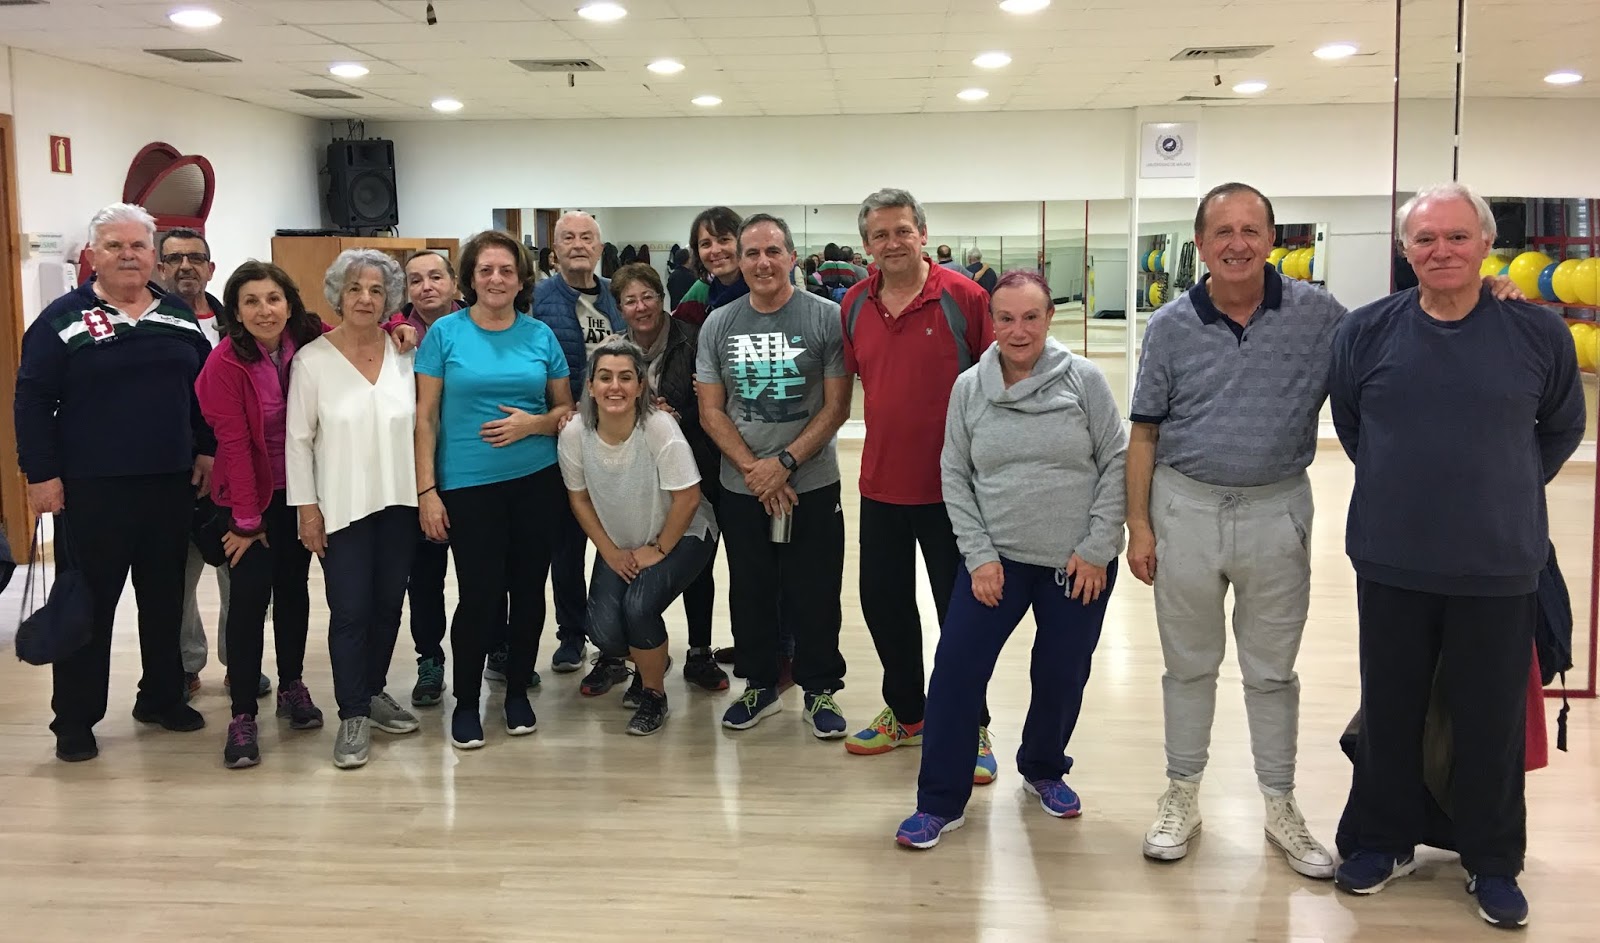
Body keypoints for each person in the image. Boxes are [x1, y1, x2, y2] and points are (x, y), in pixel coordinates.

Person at [1328, 182, 1584, 929]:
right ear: (1406, 251)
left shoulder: (1536, 335)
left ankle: (1492, 859)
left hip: (1500, 565)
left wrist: (1502, 483)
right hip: (1391, 559)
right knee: (1391, 708)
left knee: (1490, 721)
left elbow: (1561, 428)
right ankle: (1382, 841)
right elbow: (1354, 425)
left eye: (1456, 237)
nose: (1441, 251)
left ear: (1484, 244)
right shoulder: (1368, 332)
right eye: (1425, 239)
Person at [895, 269, 1127, 850]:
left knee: (1061, 672)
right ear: (990, 322)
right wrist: (977, 556)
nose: (1017, 330)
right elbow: (955, 472)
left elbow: (1117, 463)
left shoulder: (1084, 380)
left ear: (1050, 318)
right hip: (995, 562)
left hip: (1077, 565)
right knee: (954, 675)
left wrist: (1098, 549)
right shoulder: (970, 387)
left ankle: (1044, 768)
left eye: (1030, 317)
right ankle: (939, 801)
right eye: (1005, 318)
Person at [15, 202, 213, 762]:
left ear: (153, 255)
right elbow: (31, 398)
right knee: (90, 604)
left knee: (164, 598)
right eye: (114, 246)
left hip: (170, 483)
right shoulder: (62, 319)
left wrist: (206, 450)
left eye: (137, 246)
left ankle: (161, 697)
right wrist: (41, 475)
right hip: (90, 488)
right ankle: (74, 721)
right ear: (92, 256)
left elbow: (205, 390)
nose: (128, 256)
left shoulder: (176, 315)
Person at [836, 189, 1001, 786]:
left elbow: (999, 387)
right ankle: (907, 714)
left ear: (923, 234)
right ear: (866, 246)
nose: (892, 243)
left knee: (962, 617)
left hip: (954, 493)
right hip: (881, 485)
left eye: (902, 231)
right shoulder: (853, 303)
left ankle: (971, 722)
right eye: (879, 235)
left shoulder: (965, 298)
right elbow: (851, 386)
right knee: (884, 606)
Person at [416, 231, 573, 750]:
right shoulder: (444, 334)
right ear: (470, 279)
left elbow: (564, 413)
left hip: (535, 480)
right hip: (468, 484)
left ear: (521, 277)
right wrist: (427, 491)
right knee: (480, 596)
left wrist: (533, 426)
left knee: (528, 592)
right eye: (485, 270)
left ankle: (515, 695)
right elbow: (426, 418)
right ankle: (466, 701)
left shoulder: (540, 336)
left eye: (506, 270)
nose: (496, 279)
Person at [696, 213, 851, 736]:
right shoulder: (719, 324)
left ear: (790, 257)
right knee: (751, 588)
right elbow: (711, 411)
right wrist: (754, 469)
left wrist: (783, 464)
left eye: (773, 252)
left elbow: (836, 407)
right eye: (751, 253)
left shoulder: (826, 318)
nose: (762, 262)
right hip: (742, 486)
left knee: (815, 588)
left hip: (811, 481)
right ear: (739, 261)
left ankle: (820, 689)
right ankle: (760, 685)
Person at [287, 249, 420, 769]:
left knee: (389, 606)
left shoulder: (404, 352)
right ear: (338, 295)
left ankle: (373, 690)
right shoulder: (312, 360)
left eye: (376, 290)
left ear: (389, 299)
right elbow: (298, 441)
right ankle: (352, 714)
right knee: (350, 612)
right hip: (340, 508)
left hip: (399, 503)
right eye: (355, 289)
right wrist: (307, 511)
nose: (365, 298)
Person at [195, 260, 328, 768]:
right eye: (250, 301)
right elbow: (233, 444)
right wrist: (248, 523)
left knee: (294, 593)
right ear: (235, 311)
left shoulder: (311, 340)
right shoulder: (225, 364)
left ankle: (293, 685)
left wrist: (397, 329)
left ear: (289, 303)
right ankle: (243, 713)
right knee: (249, 604)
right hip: (248, 499)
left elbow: (361, 333)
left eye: (272, 299)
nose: (264, 310)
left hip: (302, 493)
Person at [559, 338, 720, 734]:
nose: (615, 387)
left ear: (641, 386)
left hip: (685, 533)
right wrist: (609, 551)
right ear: (591, 387)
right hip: (623, 542)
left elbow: (688, 497)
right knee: (603, 632)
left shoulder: (658, 427)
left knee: (639, 607)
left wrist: (659, 548)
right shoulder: (575, 433)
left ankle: (653, 694)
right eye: (605, 378)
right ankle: (652, 656)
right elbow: (578, 499)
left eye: (626, 378)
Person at [159, 226, 268, 701]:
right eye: (175, 258)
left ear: (210, 267)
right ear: (161, 267)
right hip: (174, 473)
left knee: (238, 576)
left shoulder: (239, 324)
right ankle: (185, 663)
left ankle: (238, 661)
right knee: (178, 578)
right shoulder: (152, 324)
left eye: (195, 258)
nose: (186, 266)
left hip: (235, 474)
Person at [611, 263, 730, 692]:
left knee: (698, 566)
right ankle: (643, 656)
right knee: (635, 569)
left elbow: (718, 403)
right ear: (620, 307)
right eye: (630, 300)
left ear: (662, 299)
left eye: (648, 297)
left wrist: (681, 420)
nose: (640, 307)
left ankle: (699, 652)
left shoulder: (693, 340)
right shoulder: (613, 350)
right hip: (636, 481)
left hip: (696, 469)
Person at [531, 212, 624, 683]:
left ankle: (618, 634)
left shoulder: (616, 294)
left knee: (620, 536)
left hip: (620, 434)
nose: (578, 244)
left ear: (599, 245)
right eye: (568, 237)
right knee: (566, 545)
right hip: (565, 435)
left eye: (586, 236)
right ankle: (572, 633)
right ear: (555, 250)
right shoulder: (538, 298)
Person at [385, 250, 466, 708]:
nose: (427, 286)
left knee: (483, 572)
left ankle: (496, 643)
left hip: (473, 470)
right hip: (419, 474)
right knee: (426, 577)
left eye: (436, 276)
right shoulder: (396, 338)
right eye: (416, 280)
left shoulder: (478, 327)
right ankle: (429, 659)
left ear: (455, 283)